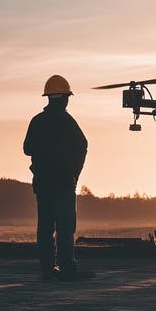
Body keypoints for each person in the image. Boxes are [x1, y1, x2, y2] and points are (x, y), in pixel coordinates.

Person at [23, 75, 93, 281]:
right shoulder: (66, 121)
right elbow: (82, 145)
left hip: (43, 184)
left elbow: (27, 149)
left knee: (45, 227)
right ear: (64, 98)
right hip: (63, 184)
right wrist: (74, 174)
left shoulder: (37, 121)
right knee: (65, 226)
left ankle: (47, 269)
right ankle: (66, 268)